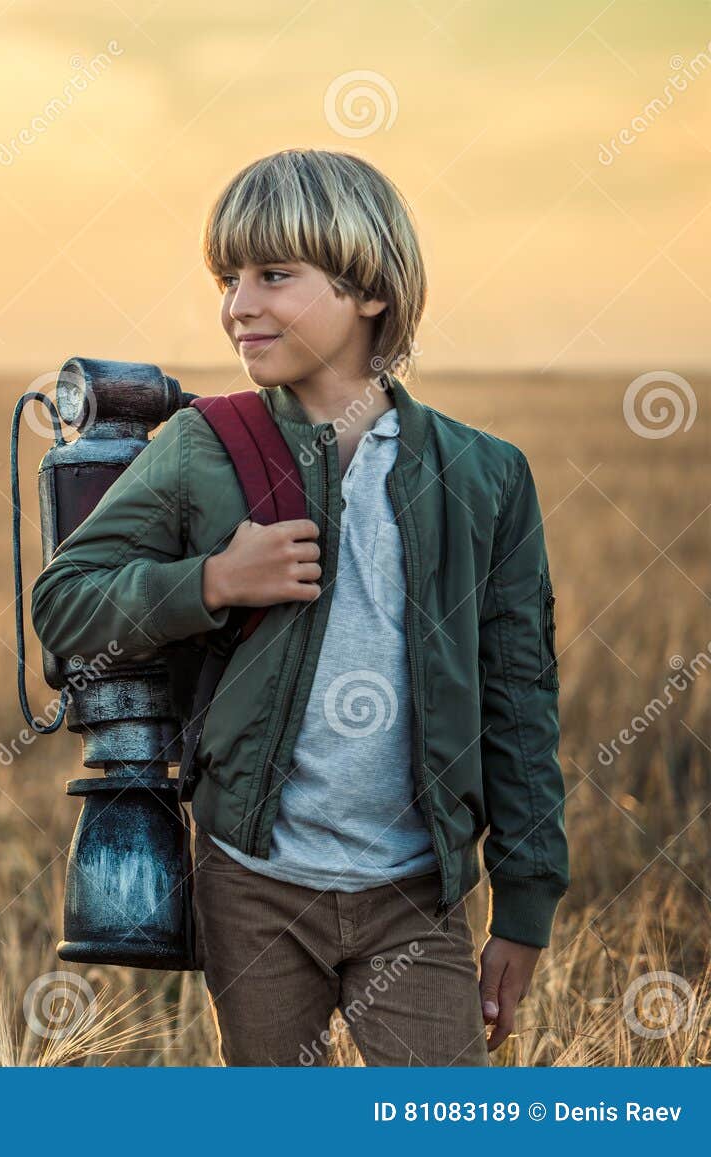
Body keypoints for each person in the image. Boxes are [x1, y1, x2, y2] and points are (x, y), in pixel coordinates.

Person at [30, 148, 568, 1065]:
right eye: (228, 278)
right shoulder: (206, 446)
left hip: (416, 893)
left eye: (275, 275)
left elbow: (520, 700)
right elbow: (65, 603)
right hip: (252, 884)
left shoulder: (484, 475)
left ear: (369, 289)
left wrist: (524, 900)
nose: (240, 303)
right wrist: (209, 584)